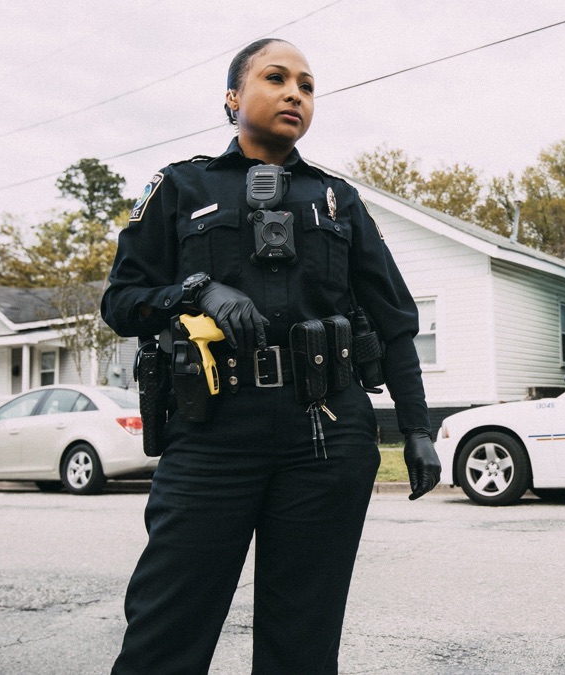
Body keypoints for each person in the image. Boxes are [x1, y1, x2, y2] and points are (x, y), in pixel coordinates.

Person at [100, 38, 441, 674]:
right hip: (211, 434)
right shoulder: (181, 186)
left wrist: (417, 428)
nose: (294, 94)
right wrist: (195, 291)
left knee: (303, 643)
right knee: (164, 635)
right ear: (233, 98)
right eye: (276, 78)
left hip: (326, 435)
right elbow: (120, 301)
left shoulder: (337, 198)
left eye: (306, 86)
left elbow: (395, 322)